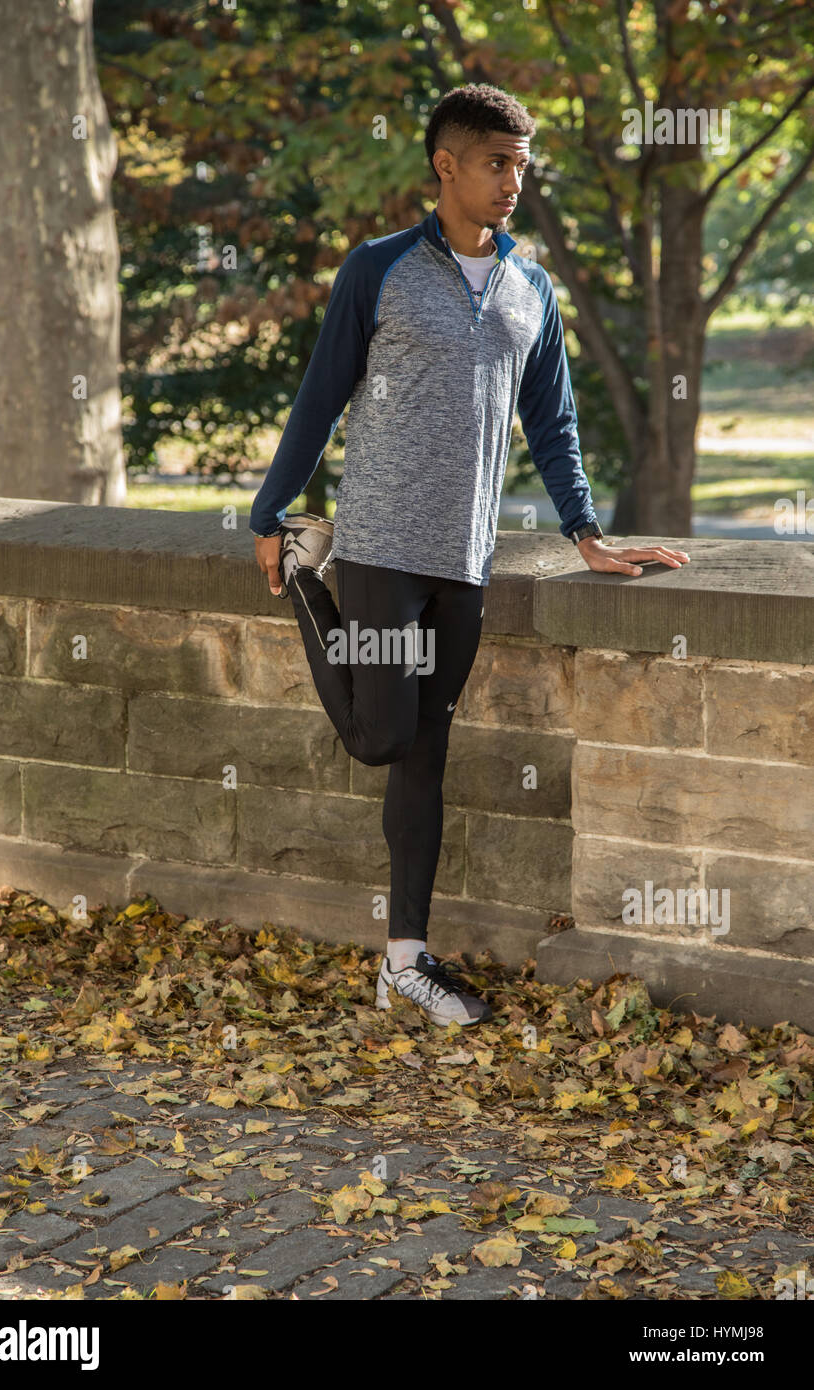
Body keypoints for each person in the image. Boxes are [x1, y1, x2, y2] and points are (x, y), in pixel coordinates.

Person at [249, 83, 689, 1027]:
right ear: (446, 166)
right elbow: (321, 394)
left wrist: (587, 534)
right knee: (377, 739)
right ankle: (304, 578)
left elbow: (554, 421)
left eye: (523, 164)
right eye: (498, 162)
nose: (514, 180)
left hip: (466, 557)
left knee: (426, 753)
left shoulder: (533, 290)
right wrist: (270, 510)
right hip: (376, 545)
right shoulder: (380, 271)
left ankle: (405, 960)